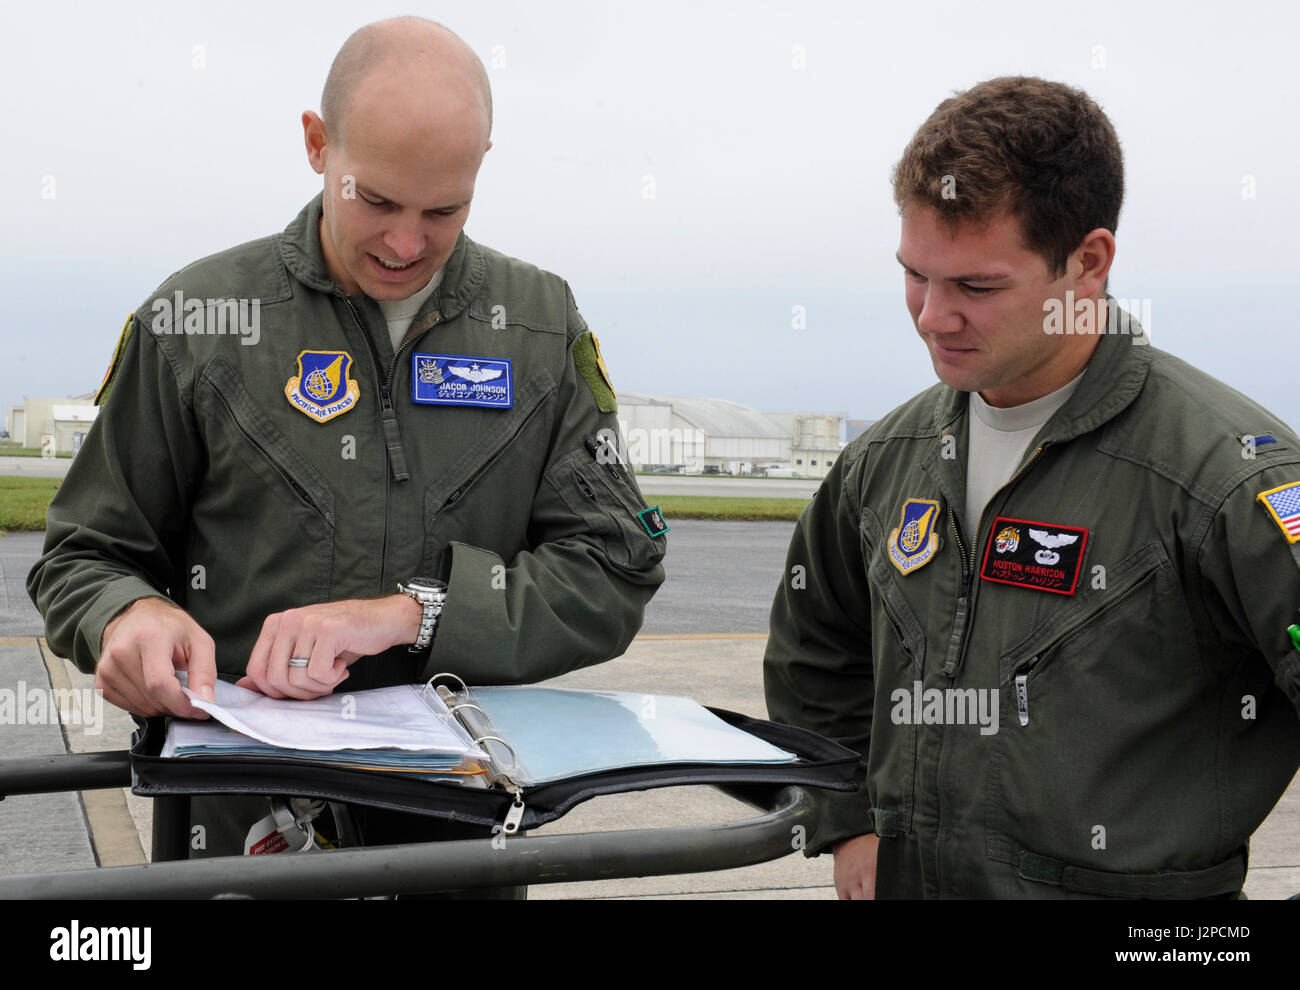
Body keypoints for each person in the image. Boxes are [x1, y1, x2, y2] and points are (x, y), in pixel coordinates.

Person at [28, 17, 667, 869]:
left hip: (461, 851)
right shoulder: (198, 323)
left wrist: (417, 612)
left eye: (444, 210)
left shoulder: (540, 330)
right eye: (377, 200)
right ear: (316, 144)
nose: (408, 246)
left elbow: (613, 565)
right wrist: (126, 612)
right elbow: (83, 554)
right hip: (238, 844)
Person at [764, 76, 1300, 899]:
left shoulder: (1230, 479)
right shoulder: (885, 461)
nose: (932, 317)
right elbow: (815, 649)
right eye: (916, 275)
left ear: (1087, 264)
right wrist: (850, 819)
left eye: (976, 287)